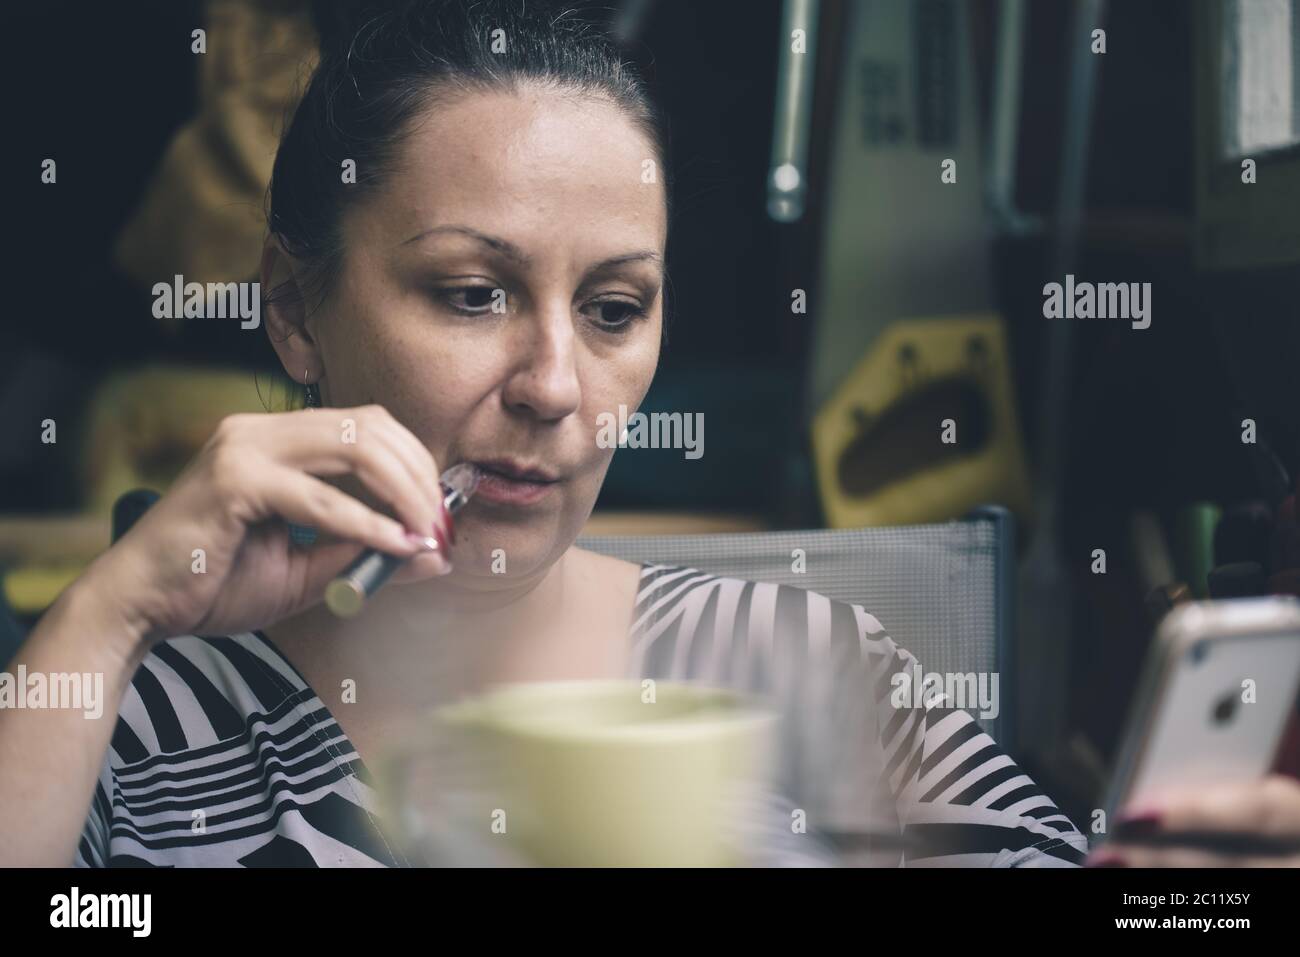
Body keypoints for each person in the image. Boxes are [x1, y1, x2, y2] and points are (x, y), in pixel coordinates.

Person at [0, 0, 1168, 868]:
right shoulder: (127, 725)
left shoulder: (801, 664)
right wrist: (107, 615)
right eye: (471, 294)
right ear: (297, 312)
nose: (558, 385)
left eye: (614, 310)